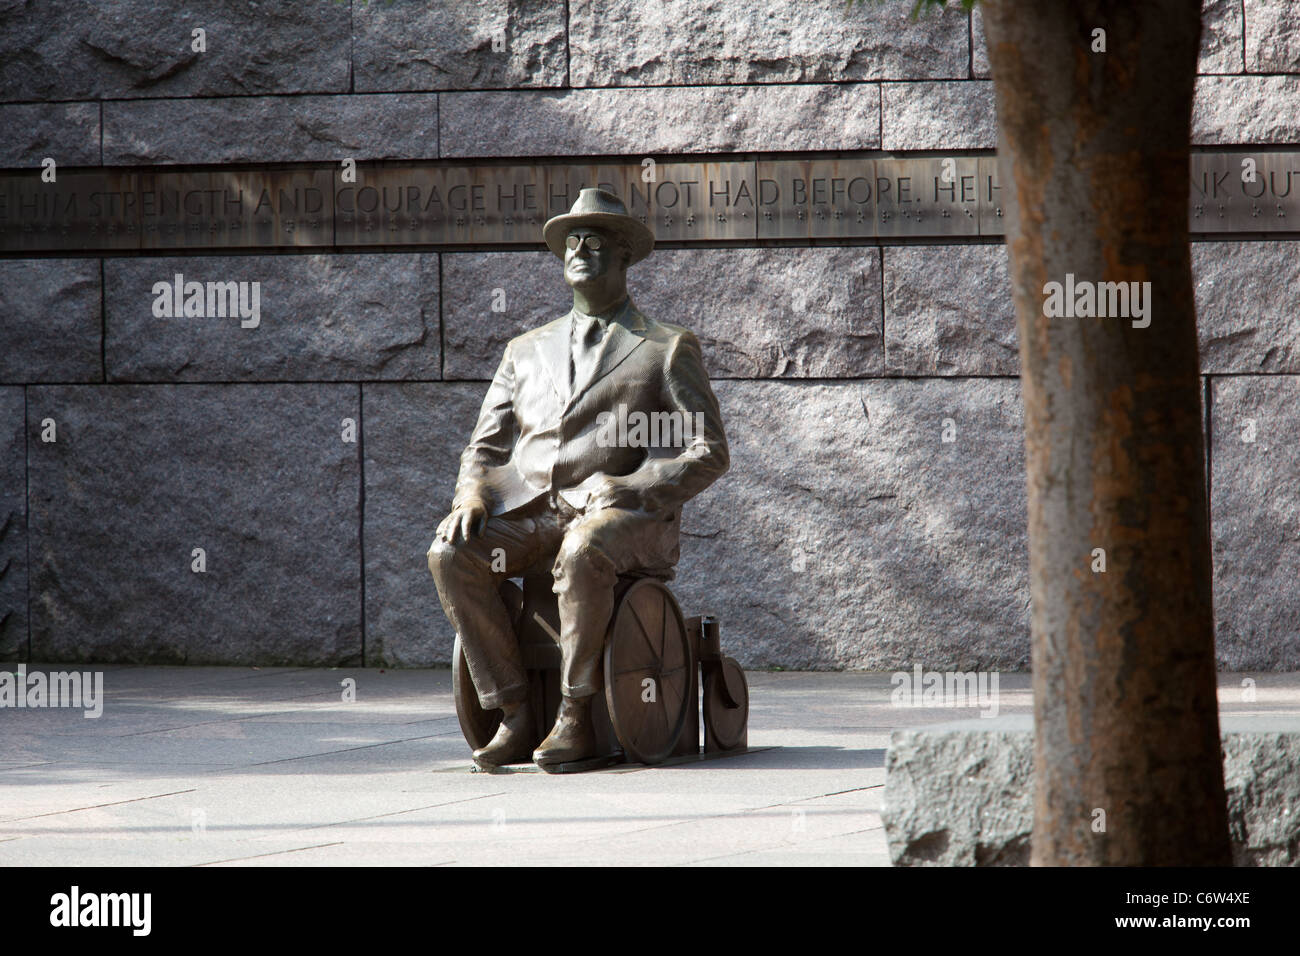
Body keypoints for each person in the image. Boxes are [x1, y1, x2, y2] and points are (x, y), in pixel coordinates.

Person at [428, 188, 729, 772]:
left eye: (595, 238)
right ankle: (514, 711)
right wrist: (470, 493)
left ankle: (574, 714)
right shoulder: (525, 350)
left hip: (622, 517)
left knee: (585, 545)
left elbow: (710, 451)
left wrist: (638, 485)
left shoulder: (665, 348)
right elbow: (485, 447)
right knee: (449, 554)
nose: (580, 246)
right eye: (572, 239)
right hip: (533, 509)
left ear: (624, 255)